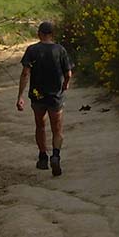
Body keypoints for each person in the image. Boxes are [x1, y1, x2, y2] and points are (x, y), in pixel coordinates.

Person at [16, 21, 73, 176]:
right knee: (57, 129)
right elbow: (68, 73)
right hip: (55, 95)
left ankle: (42, 157)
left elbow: (25, 73)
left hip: (37, 95)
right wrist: (65, 84)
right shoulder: (60, 50)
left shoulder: (32, 50)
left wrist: (20, 96)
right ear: (52, 34)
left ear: (39, 34)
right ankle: (56, 156)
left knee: (40, 126)